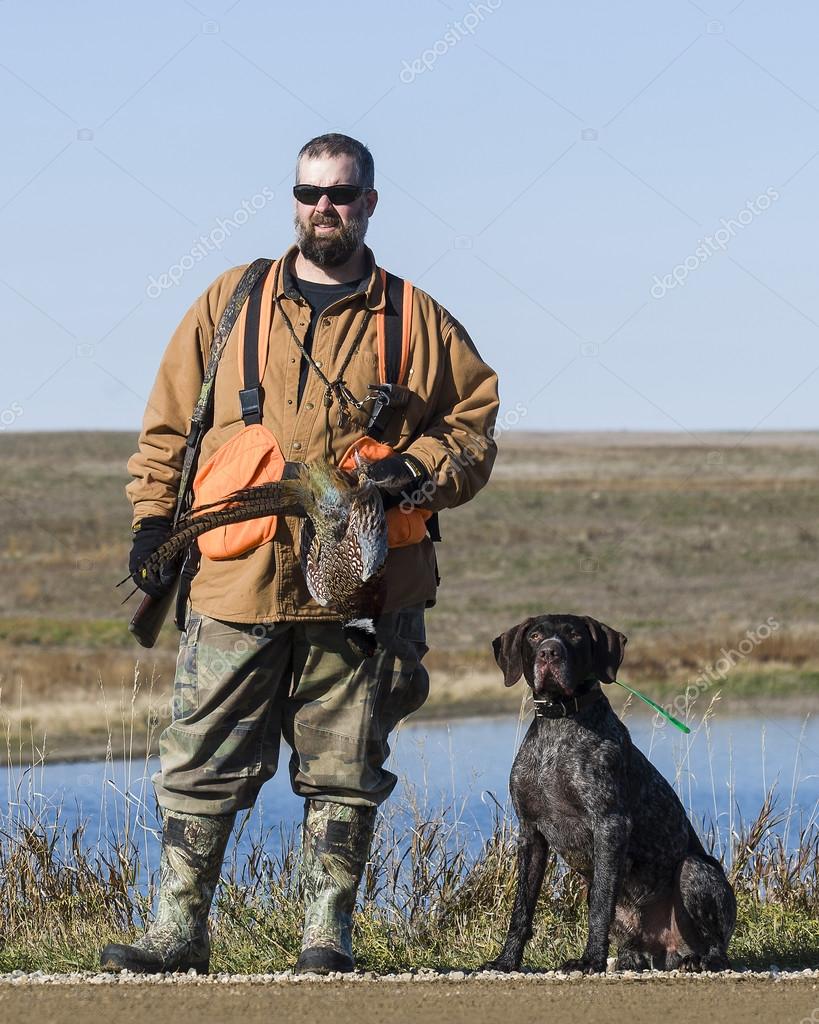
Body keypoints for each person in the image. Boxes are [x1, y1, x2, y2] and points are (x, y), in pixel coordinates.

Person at [101, 133, 499, 976]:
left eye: (344, 194)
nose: (327, 208)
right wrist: (149, 525)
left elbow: (473, 427)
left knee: (348, 765)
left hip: (364, 585)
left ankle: (327, 937)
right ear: (292, 200)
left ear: (370, 204)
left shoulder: (416, 316)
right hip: (235, 577)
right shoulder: (230, 301)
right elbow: (168, 427)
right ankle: (179, 934)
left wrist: (413, 471)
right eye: (311, 193)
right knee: (199, 759)